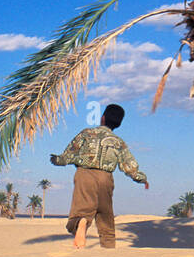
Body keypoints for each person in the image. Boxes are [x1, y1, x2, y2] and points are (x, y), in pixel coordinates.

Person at [51, 104, 148, 249]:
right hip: (105, 178)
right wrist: (141, 178)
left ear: (102, 118)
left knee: (82, 208)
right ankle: (108, 246)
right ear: (118, 124)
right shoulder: (118, 142)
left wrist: (58, 160)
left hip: (84, 174)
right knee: (105, 213)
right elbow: (129, 166)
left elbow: (70, 154)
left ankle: (82, 223)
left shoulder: (87, 133)